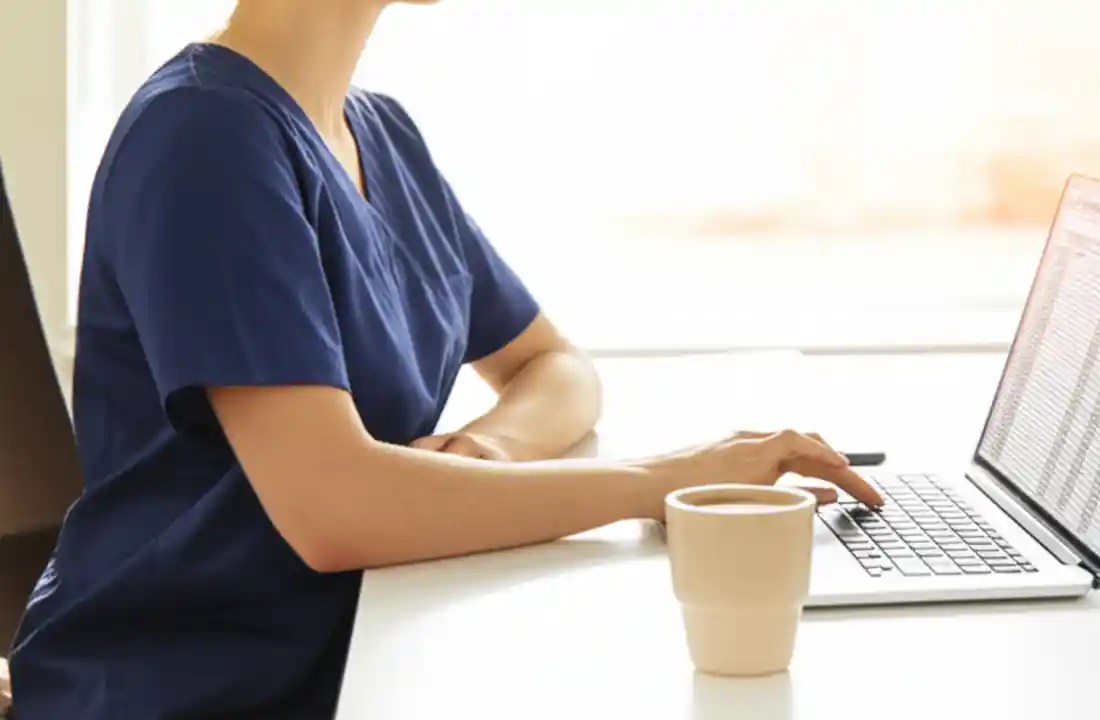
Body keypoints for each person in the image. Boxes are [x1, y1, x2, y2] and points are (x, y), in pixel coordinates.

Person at [7, 1, 883, 717]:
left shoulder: (379, 134)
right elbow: (333, 509)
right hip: (186, 693)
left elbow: (557, 368)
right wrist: (664, 483)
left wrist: (485, 451)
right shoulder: (203, 138)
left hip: (350, 659)